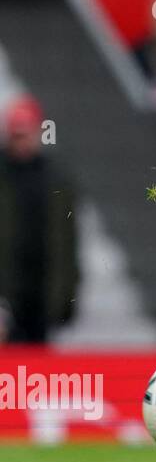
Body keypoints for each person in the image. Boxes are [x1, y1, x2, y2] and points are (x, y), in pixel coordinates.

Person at [0, 97, 78, 344]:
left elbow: (67, 241)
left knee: (37, 367)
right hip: (7, 293)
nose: (21, 142)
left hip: (42, 292)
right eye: (17, 135)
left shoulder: (56, 179)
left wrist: (66, 295)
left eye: (26, 134)